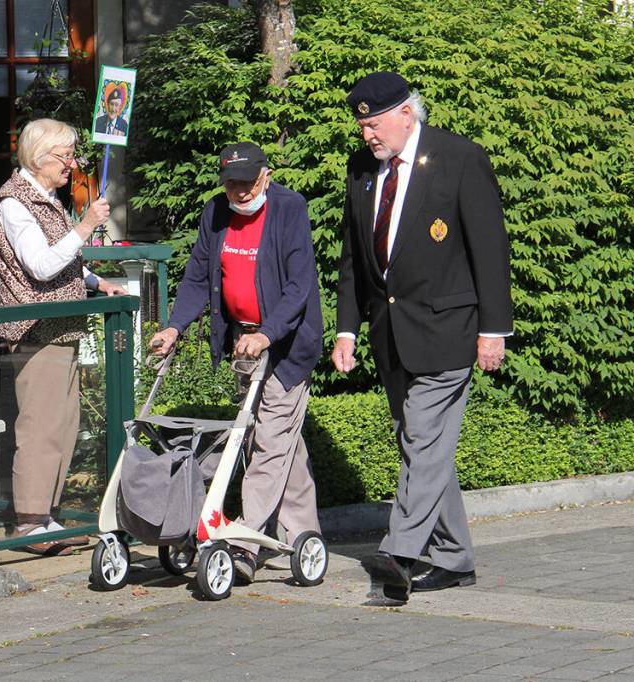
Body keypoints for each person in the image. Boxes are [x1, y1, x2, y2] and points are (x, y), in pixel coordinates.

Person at [332, 72, 512, 600]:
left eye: (374, 122)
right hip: (392, 335)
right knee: (423, 446)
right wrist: (348, 329)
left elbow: (490, 249)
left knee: (423, 439)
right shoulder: (363, 168)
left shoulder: (459, 159)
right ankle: (454, 558)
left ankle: (401, 551)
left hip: (449, 329)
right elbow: (353, 259)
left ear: (407, 113)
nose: (367, 134)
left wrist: (493, 331)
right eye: (361, 124)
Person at [150, 142, 324, 584]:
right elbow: (196, 278)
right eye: (232, 183)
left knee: (267, 441)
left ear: (265, 176)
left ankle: (244, 544)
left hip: (284, 346)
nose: (240, 191)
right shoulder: (216, 213)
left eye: (247, 182)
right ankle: (305, 536)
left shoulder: (289, 209)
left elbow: (299, 286)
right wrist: (174, 327)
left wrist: (268, 332)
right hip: (243, 344)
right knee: (280, 443)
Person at [0, 117, 127, 554]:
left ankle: (45, 515)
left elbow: (62, 260)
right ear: (38, 156)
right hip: (35, 330)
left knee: (63, 427)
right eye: (65, 156)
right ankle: (29, 525)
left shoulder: (44, 198)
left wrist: (94, 282)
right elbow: (42, 265)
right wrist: (84, 226)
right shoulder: (14, 202)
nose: (73, 164)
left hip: (61, 327)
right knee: (40, 428)